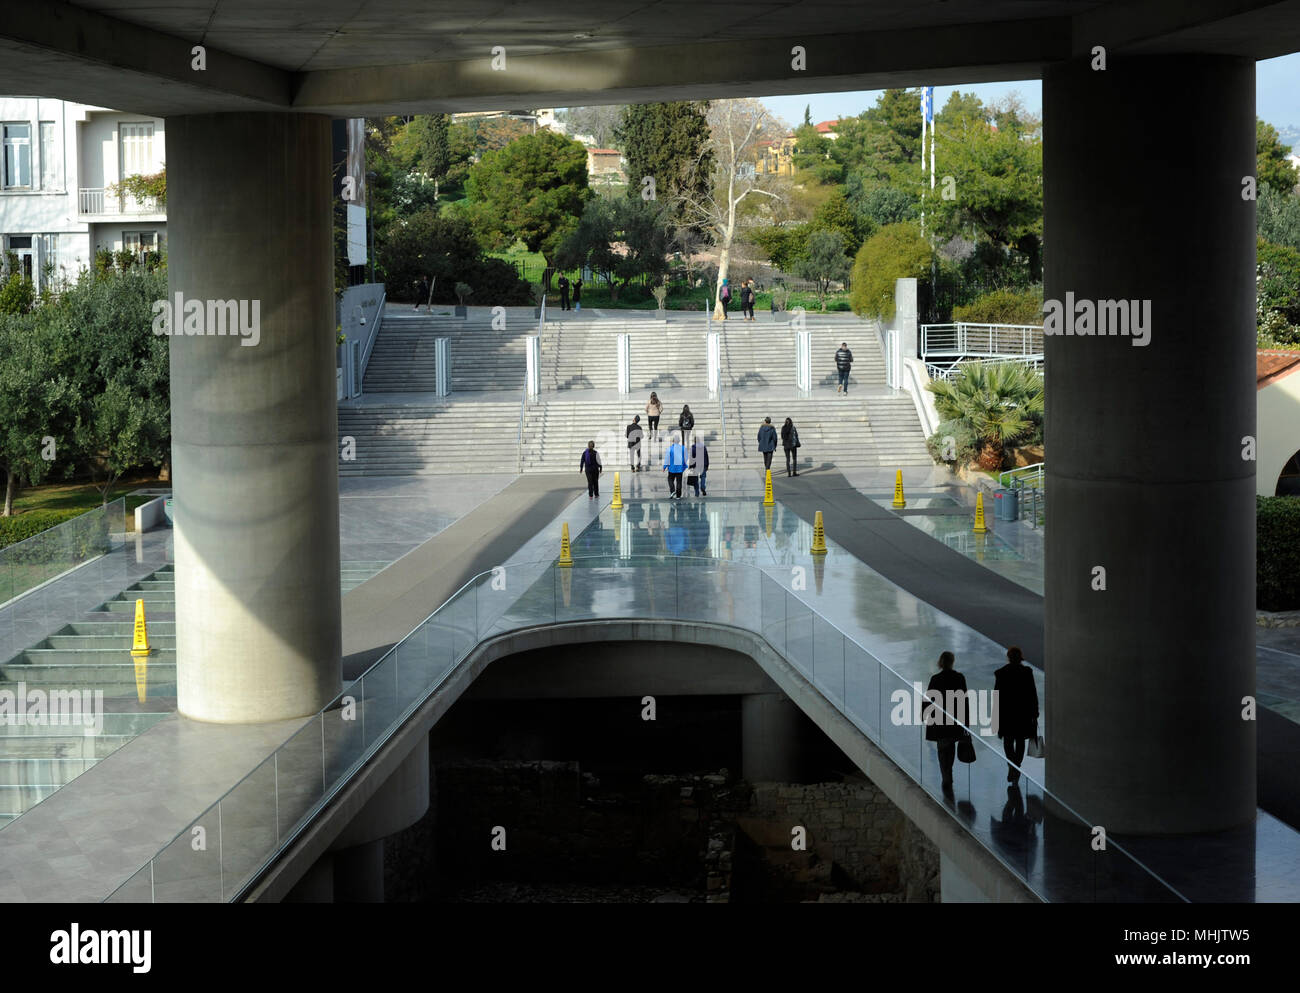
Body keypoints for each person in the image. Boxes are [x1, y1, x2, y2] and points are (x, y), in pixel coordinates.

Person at [922, 651, 970, 792]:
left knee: (942, 749)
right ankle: (949, 772)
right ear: (952, 662)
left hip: (940, 720)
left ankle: (946, 775)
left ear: (940, 662)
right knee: (951, 748)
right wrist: (966, 721)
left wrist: (924, 714)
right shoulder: (959, 677)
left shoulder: (936, 679)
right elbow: (964, 700)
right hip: (955, 719)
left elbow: (929, 699)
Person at [993, 646, 1039, 785]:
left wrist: (996, 717)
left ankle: (1012, 767)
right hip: (1022, 713)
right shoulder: (1026, 672)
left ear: (1008, 657)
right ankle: (1016, 767)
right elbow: (1032, 693)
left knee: (1008, 741)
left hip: (1007, 713)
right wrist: (1035, 711)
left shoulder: (1001, 673)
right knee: (1020, 741)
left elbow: (997, 697)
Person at [663, 432, 687, 498]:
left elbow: (667, 459)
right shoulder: (683, 448)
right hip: (680, 468)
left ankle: (672, 490)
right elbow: (686, 458)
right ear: (679, 441)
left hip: (672, 468)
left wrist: (664, 466)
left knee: (670, 479)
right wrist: (684, 465)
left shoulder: (670, 449)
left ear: (673, 441)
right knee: (679, 482)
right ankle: (678, 496)